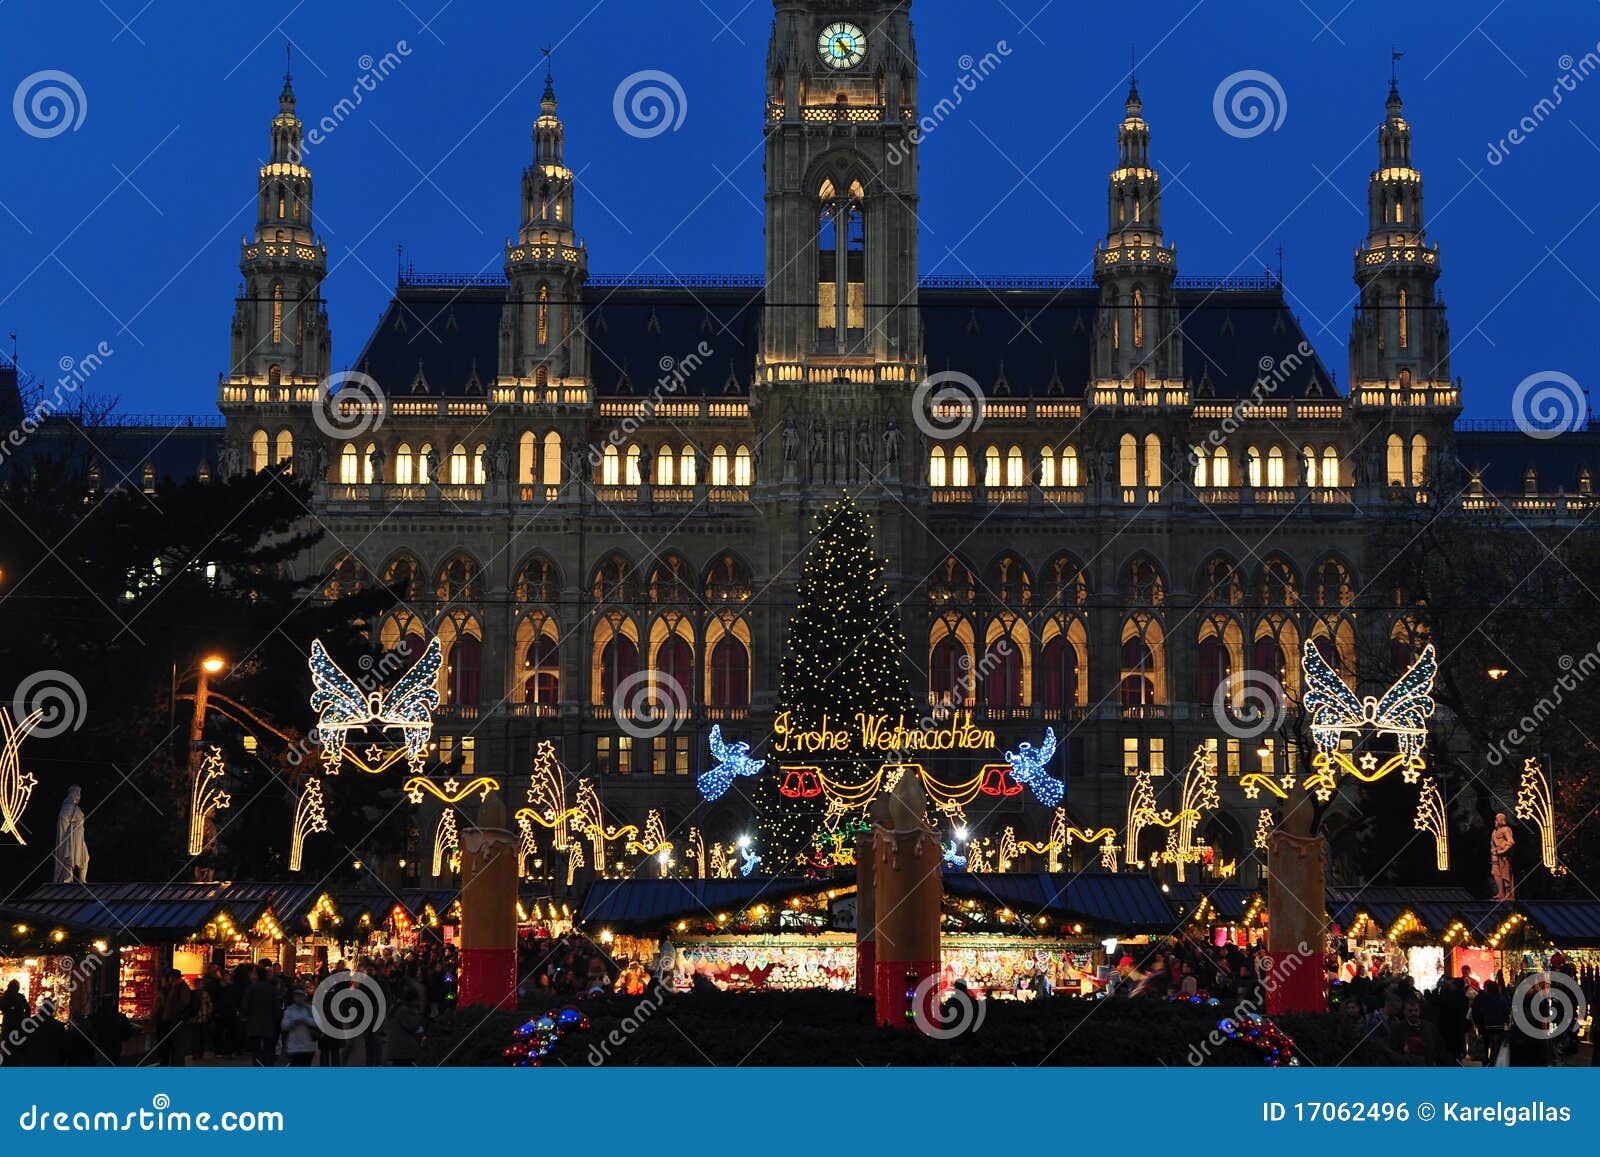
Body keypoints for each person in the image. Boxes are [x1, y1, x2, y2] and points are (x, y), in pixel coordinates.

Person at [242, 965, 280, 1066]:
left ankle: (258, 1066)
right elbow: (276, 1007)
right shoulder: (272, 989)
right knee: (269, 1049)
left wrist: (245, 1016)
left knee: (256, 1050)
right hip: (269, 1023)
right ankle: (268, 1065)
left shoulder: (251, 988)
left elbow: (245, 1005)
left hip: (254, 1023)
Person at [86, 995, 132, 1066]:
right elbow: (127, 1034)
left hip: (100, 1046)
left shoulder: (95, 1017)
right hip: (114, 1046)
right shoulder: (119, 1017)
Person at [277, 989, 319, 1066]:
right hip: (294, 1046)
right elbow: (284, 1025)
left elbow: (318, 1023)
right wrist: (293, 1023)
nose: (299, 998)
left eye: (301, 996)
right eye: (297, 996)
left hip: (308, 1046)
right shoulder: (290, 1010)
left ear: (304, 997)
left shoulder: (310, 1009)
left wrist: (305, 1020)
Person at [1472, 979, 1509, 1064]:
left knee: (1485, 1044)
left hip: (1486, 1025)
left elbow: (1478, 1012)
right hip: (1499, 1025)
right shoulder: (1501, 998)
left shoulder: (1483, 998)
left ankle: (1485, 1062)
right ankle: (1493, 1062)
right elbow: (1506, 1011)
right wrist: (1506, 1022)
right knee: (1495, 1047)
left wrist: (1478, 1024)